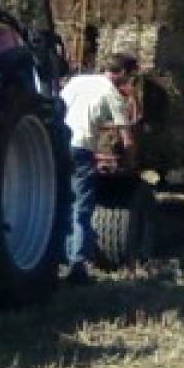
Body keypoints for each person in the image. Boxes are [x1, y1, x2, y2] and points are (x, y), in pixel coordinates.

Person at [60, 52, 140, 282]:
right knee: (81, 208)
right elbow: (127, 136)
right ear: (122, 73)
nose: (129, 81)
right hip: (82, 149)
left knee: (63, 202)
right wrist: (131, 161)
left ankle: (60, 256)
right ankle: (78, 266)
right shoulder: (111, 93)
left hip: (58, 145)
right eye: (129, 76)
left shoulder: (78, 81)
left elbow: (58, 106)